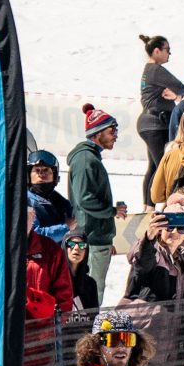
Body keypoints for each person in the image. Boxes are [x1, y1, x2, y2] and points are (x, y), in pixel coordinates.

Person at [67, 103, 120, 301]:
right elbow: (85, 199)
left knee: (94, 291)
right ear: (97, 134)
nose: (115, 136)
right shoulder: (85, 160)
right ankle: (89, 322)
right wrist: (111, 212)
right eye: (111, 131)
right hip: (91, 237)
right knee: (92, 293)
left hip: (96, 237)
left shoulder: (90, 158)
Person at [136, 37, 184, 201]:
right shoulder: (156, 70)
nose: (169, 53)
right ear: (157, 51)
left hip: (149, 123)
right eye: (167, 50)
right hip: (156, 124)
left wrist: (175, 96)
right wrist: (177, 95)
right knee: (163, 168)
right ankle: (158, 202)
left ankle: (148, 205)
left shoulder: (148, 69)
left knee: (154, 168)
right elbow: (180, 86)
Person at [27, 150, 72, 234]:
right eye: (37, 170)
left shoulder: (57, 199)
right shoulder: (26, 202)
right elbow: (35, 234)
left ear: (54, 176)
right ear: (29, 175)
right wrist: (66, 227)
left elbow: (73, 216)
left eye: (46, 170)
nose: (41, 174)